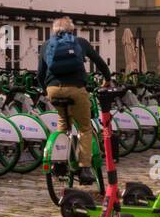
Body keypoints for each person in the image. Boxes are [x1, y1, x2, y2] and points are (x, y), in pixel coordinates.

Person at [39, 17, 113, 185]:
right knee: (85, 127)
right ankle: (84, 167)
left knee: (63, 122)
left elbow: (40, 73)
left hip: (53, 90)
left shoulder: (46, 45)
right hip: (76, 89)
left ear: (54, 31)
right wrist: (107, 79)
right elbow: (100, 63)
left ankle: (58, 162)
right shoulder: (80, 43)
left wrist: (46, 89)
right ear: (72, 30)